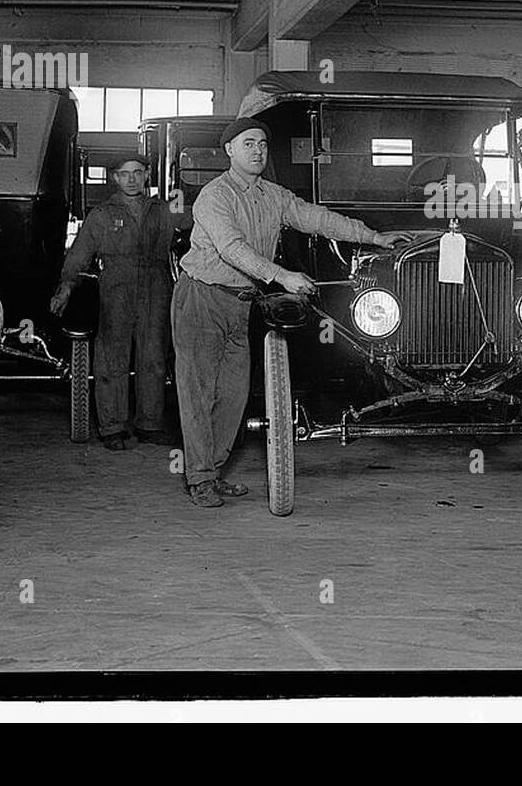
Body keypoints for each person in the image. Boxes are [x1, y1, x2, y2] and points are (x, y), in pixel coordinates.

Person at [173, 116, 412, 509]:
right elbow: (232, 248)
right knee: (199, 393)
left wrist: (372, 236)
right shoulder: (214, 196)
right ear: (230, 151)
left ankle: (212, 472)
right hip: (201, 298)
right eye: (248, 144)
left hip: (239, 303)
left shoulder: (273, 195)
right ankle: (199, 479)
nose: (257, 151)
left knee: (233, 396)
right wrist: (282, 276)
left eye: (262, 144)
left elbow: (316, 218)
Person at [51, 153, 176, 451]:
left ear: (146, 175)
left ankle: (150, 424)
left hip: (156, 287)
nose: (131, 178)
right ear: (115, 178)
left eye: (137, 172)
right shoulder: (102, 214)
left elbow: (190, 238)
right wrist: (66, 287)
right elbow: (80, 254)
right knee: (112, 359)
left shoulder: (163, 210)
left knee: (154, 358)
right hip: (116, 289)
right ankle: (112, 427)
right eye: (124, 173)